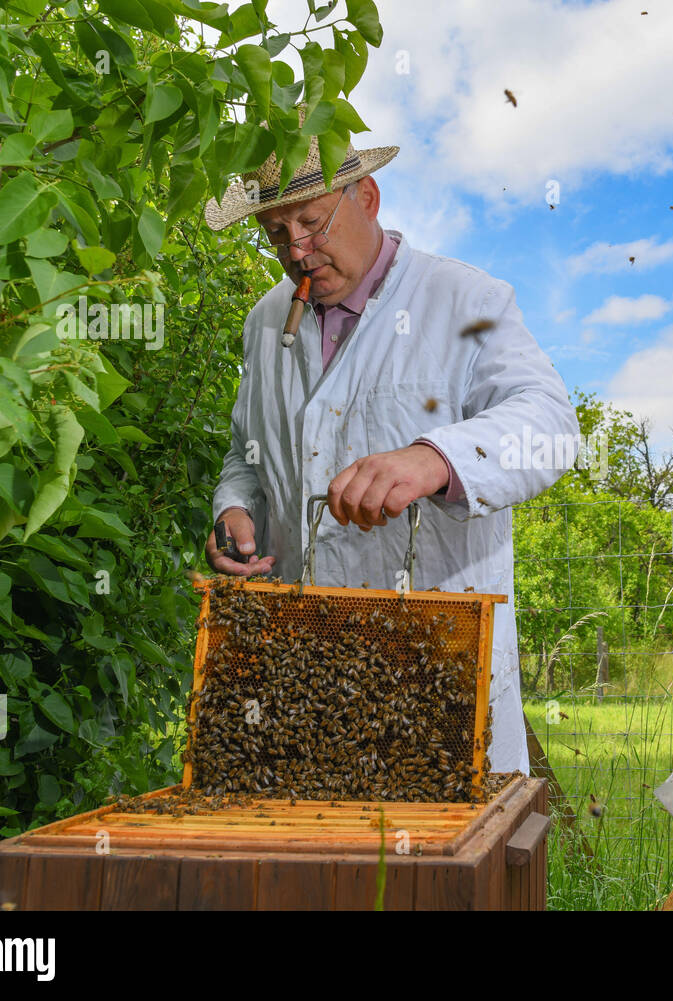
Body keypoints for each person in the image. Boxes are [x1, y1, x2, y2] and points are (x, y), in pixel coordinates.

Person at [201, 111, 578, 773]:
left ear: (367, 199)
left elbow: (550, 426)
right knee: (325, 865)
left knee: (444, 868)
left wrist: (435, 458)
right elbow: (246, 450)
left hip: (441, 677)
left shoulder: (463, 298)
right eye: (275, 233)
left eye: (312, 222)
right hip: (306, 680)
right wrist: (235, 510)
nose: (295, 250)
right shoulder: (265, 324)